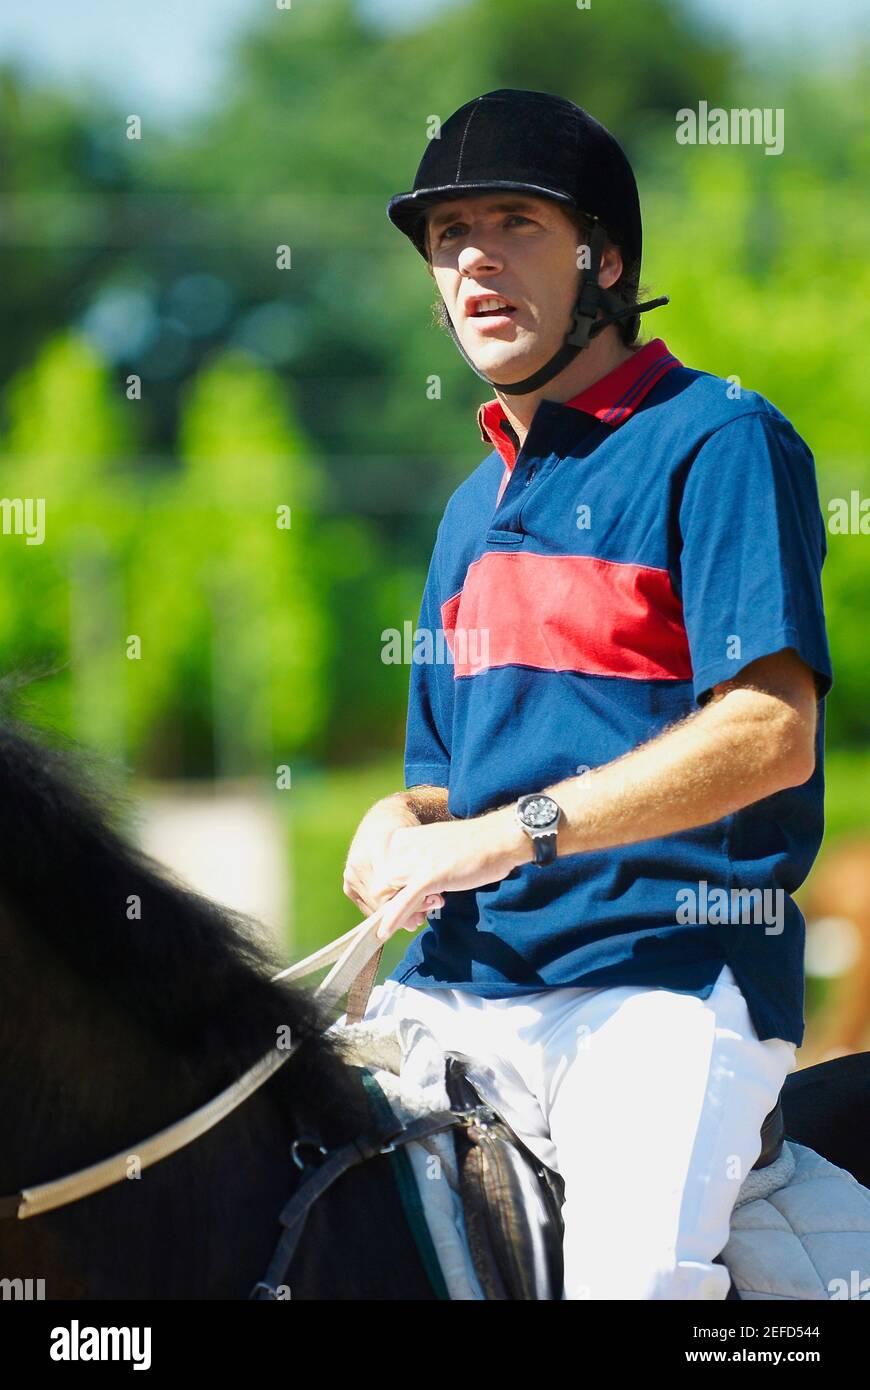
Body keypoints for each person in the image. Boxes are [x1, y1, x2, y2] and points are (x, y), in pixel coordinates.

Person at [339, 89, 833, 1299]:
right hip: (461, 988)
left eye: (514, 223)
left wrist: (515, 832)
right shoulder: (470, 507)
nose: (474, 261)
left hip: (660, 988)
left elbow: (772, 732)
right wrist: (397, 822)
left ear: (604, 261)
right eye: (450, 235)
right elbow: (447, 778)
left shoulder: (719, 439)